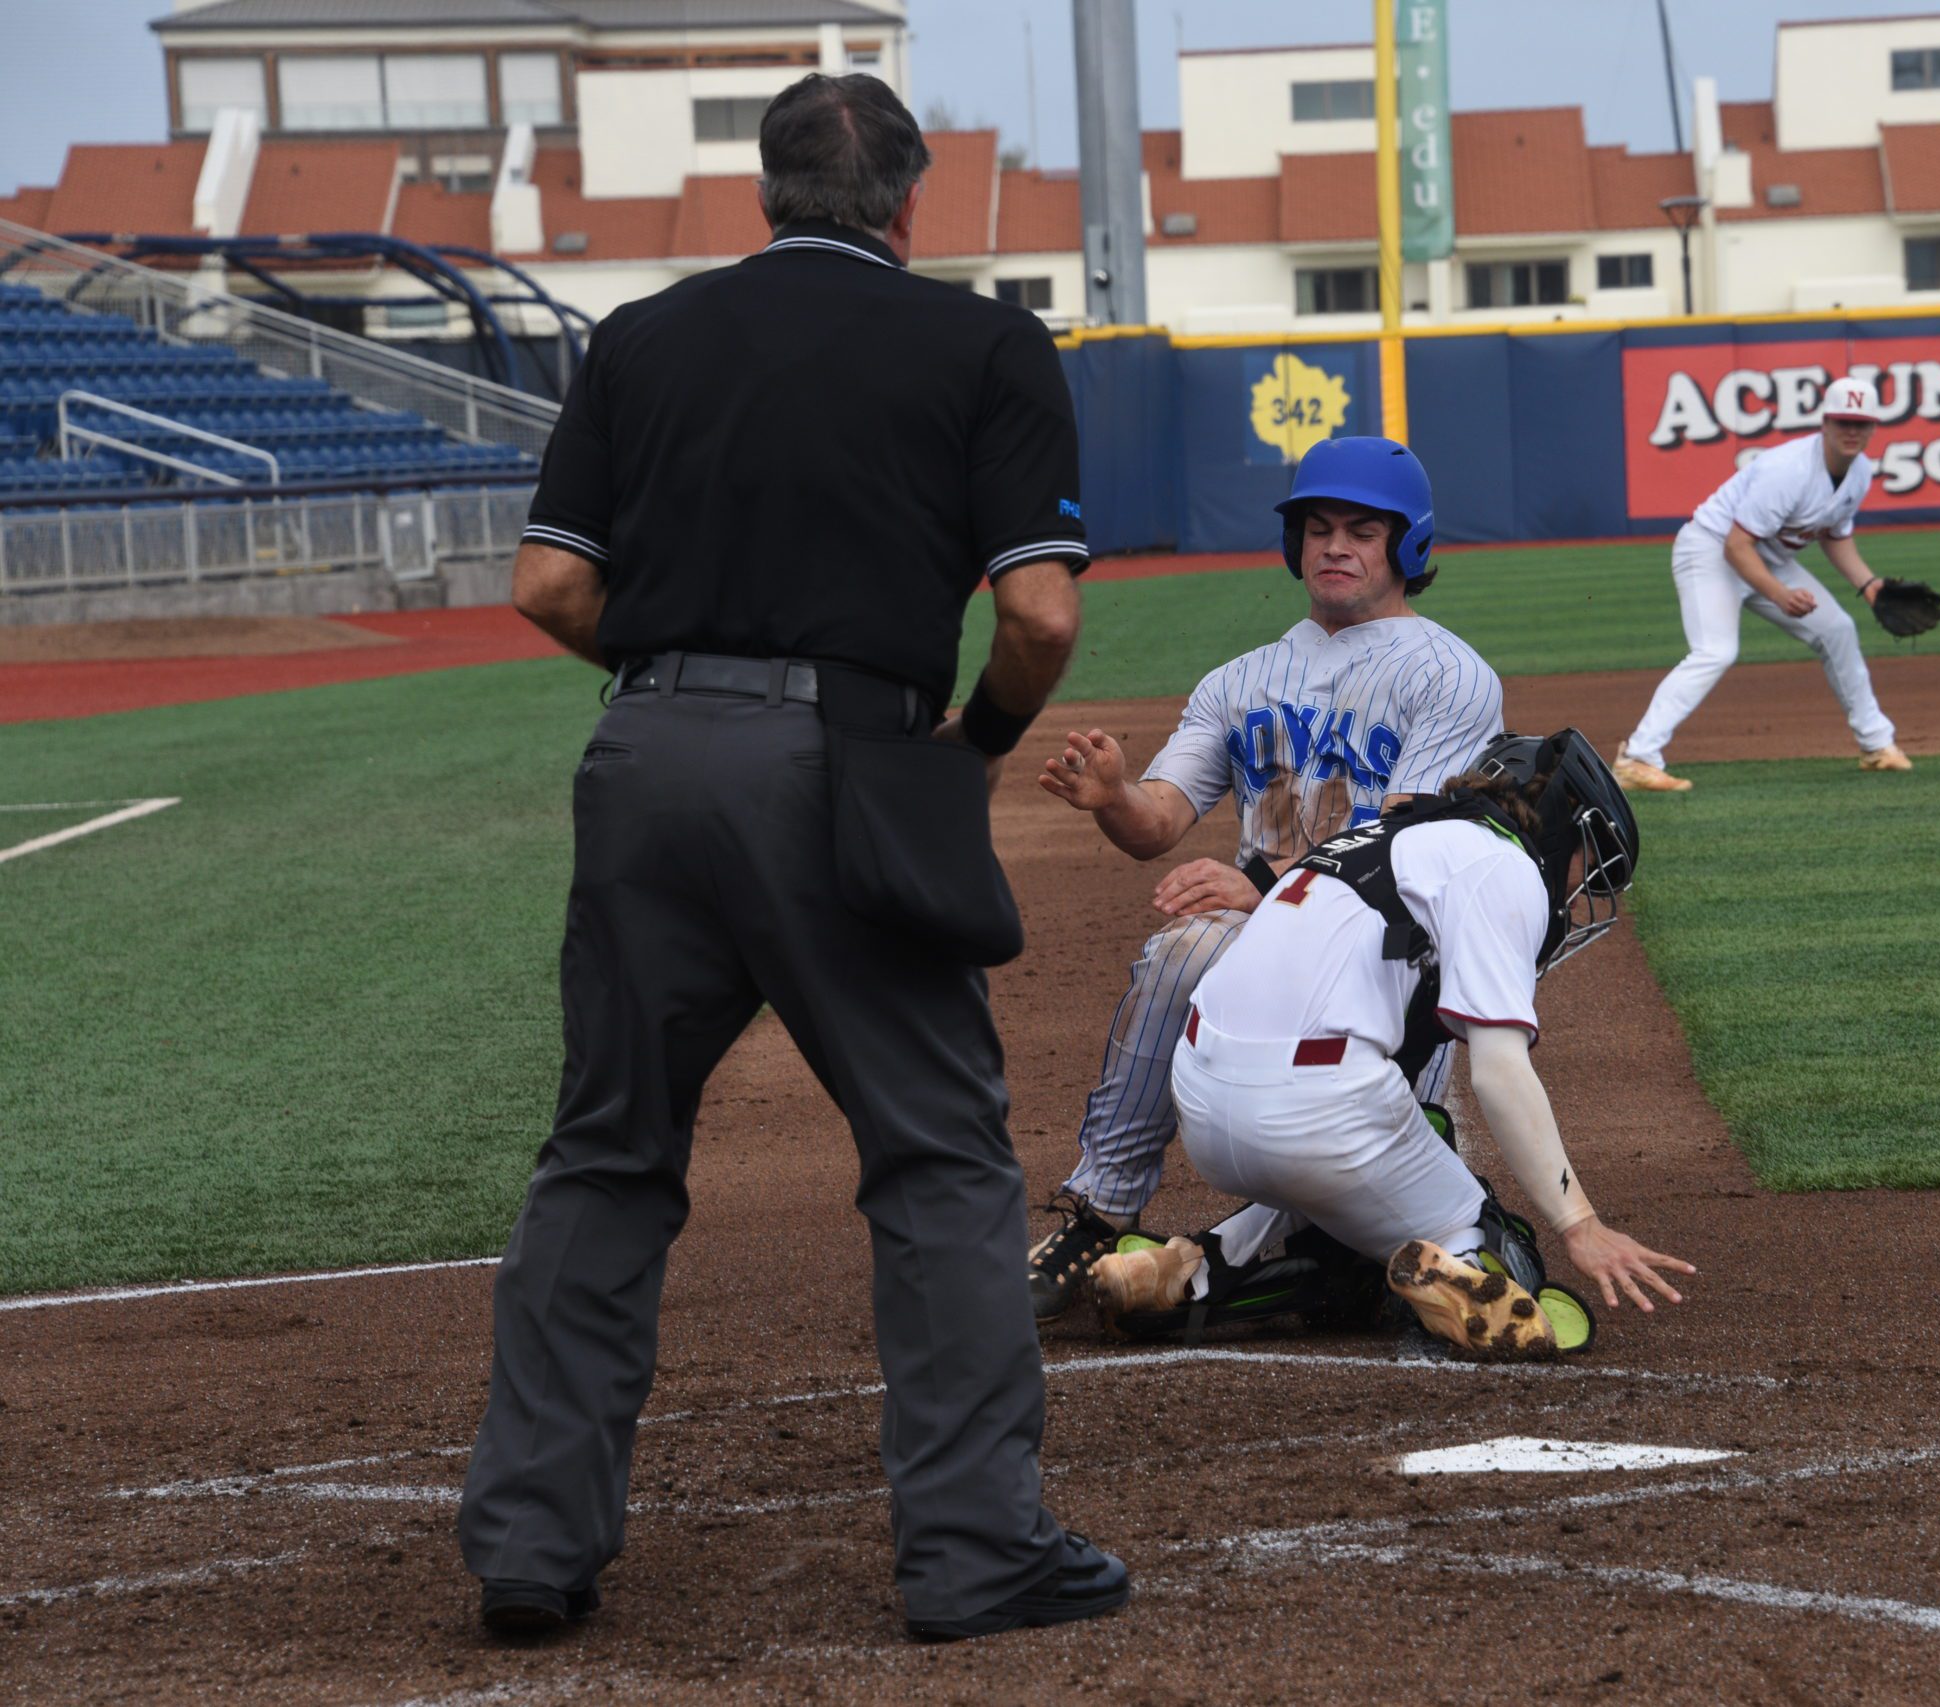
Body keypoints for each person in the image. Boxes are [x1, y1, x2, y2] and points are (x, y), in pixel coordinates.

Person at [458, 72, 1127, 1645]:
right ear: (916, 199)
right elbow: (1038, 615)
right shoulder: (982, 340)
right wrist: (963, 742)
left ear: (760, 194)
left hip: (642, 758)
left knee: (607, 1152)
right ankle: (976, 1549)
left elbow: (549, 587)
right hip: (850, 760)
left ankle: (532, 1548)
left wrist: (692, 669)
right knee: (940, 1156)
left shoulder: (644, 334)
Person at [1024, 437, 1504, 1324]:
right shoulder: (1240, 679)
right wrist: (1114, 794)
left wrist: (1263, 883)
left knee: (1341, 1249)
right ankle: (1100, 1211)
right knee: (1186, 948)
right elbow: (1158, 822)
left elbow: (1407, 840)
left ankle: (1268, 1251)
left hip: (1387, 961)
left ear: (1410, 545)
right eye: (1316, 528)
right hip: (1270, 955)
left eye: (1362, 529)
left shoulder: (1449, 676)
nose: (1334, 545)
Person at [1086, 731, 1694, 1358]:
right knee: (1499, 1248)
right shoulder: (1501, 861)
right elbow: (1499, 1071)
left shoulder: (1388, 832)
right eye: (1585, 864)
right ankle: (1462, 1255)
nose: (1578, 888)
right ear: (1559, 825)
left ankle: (1189, 1267)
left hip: (1206, 1103)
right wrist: (1580, 1226)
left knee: (1391, 1155)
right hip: (1315, 1112)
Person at [1614, 376, 1913, 792]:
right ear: (1825, 423)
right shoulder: (1788, 470)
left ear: (1873, 428)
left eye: (1860, 423)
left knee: (1838, 630)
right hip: (1710, 549)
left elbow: (1835, 536)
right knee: (1715, 650)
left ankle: (1877, 746)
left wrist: (1869, 585)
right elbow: (1736, 546)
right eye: (1844, 421)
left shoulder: (1858, 472)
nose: (1852, 431)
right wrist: (1780, 594)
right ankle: (1637, 757)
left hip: (1765, 557)